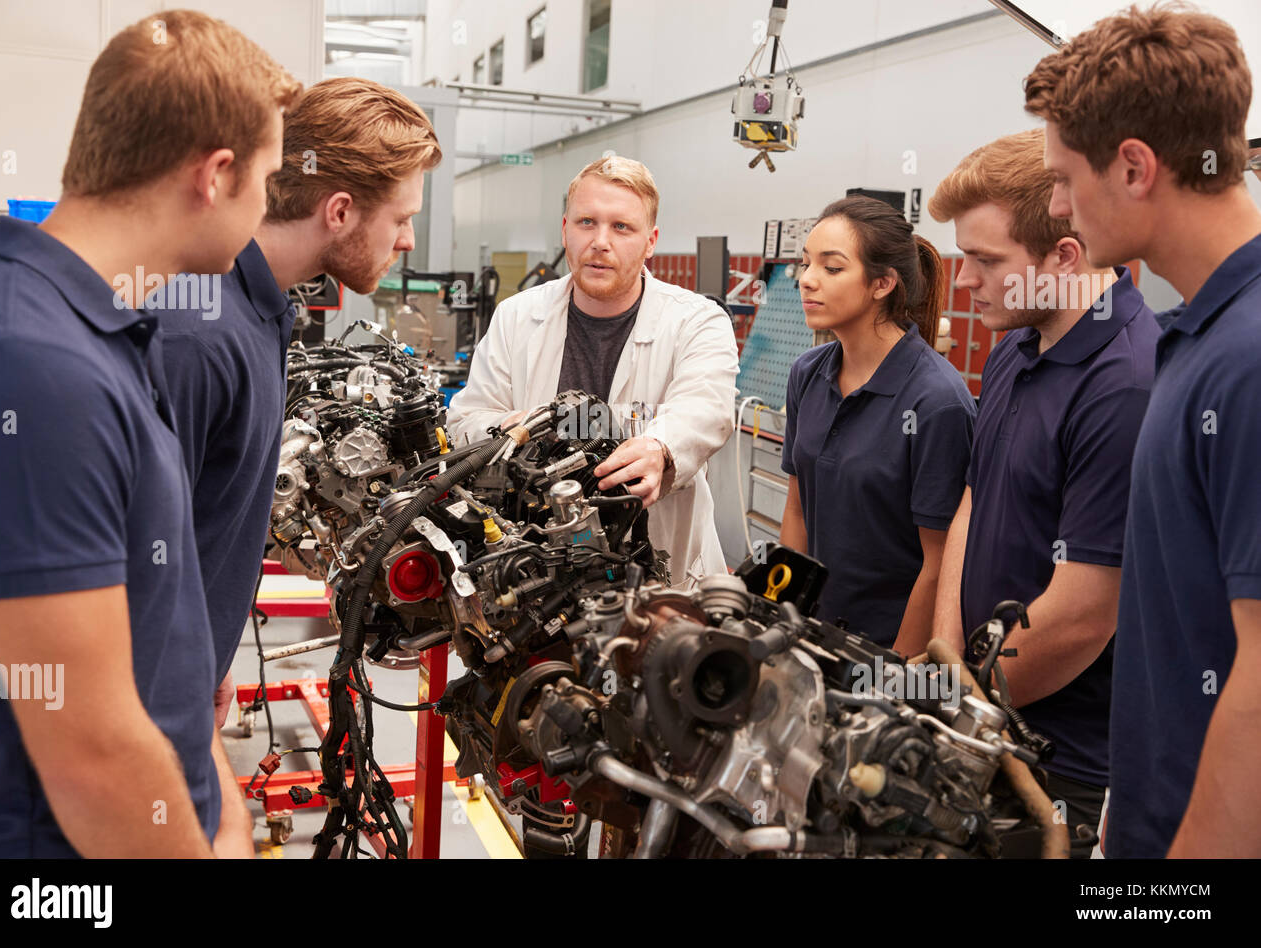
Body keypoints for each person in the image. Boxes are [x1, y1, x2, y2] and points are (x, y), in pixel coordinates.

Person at [0, 10, 300, 857]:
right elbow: (91, 753)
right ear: (215, 175)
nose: (267, 203)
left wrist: (217, 795)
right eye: (268, 177)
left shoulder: (101, 333)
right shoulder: (31, 363)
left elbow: (158, 633)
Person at [1025, 3, 1261, 858]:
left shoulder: (1248, 354)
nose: (1056, 204)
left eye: (1062, 176)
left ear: (1133, 166)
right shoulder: (1199, 331)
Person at [157, 77, 441, 733]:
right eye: (402, 220)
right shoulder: (197, 335)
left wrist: (210, 647)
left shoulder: (258, 312)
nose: (407, 243)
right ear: (338, 211)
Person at [927, 129, 1158, 857]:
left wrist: (960, 702)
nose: (964, 282)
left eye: (985, 260)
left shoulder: (1125, 384)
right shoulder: (1016, 347)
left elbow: (1084, 615)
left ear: (1063, 257)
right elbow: (972, 501)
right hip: (974, 718)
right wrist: (945, 667)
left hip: (1055, 763)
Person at [446, 156, 738, 588]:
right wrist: (507, 431)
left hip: (661, 575)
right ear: (565, 229)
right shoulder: (517, 316)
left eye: (622, 227)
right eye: (587, 222)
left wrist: (660, 448)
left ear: (650, 241)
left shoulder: (696, 321)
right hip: (534, 573)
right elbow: (465, 418)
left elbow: (705, 409)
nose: (601, 241)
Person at [778, 195, 974, 653]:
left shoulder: (937, 402)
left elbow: (940, 561)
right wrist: (781, 618)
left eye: (831, 268)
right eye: (806, 264)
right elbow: (797, 510)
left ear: (882, 283)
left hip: (883, 649)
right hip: (808, 635)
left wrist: (892, 676)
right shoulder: (807, 373)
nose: (806, 281)